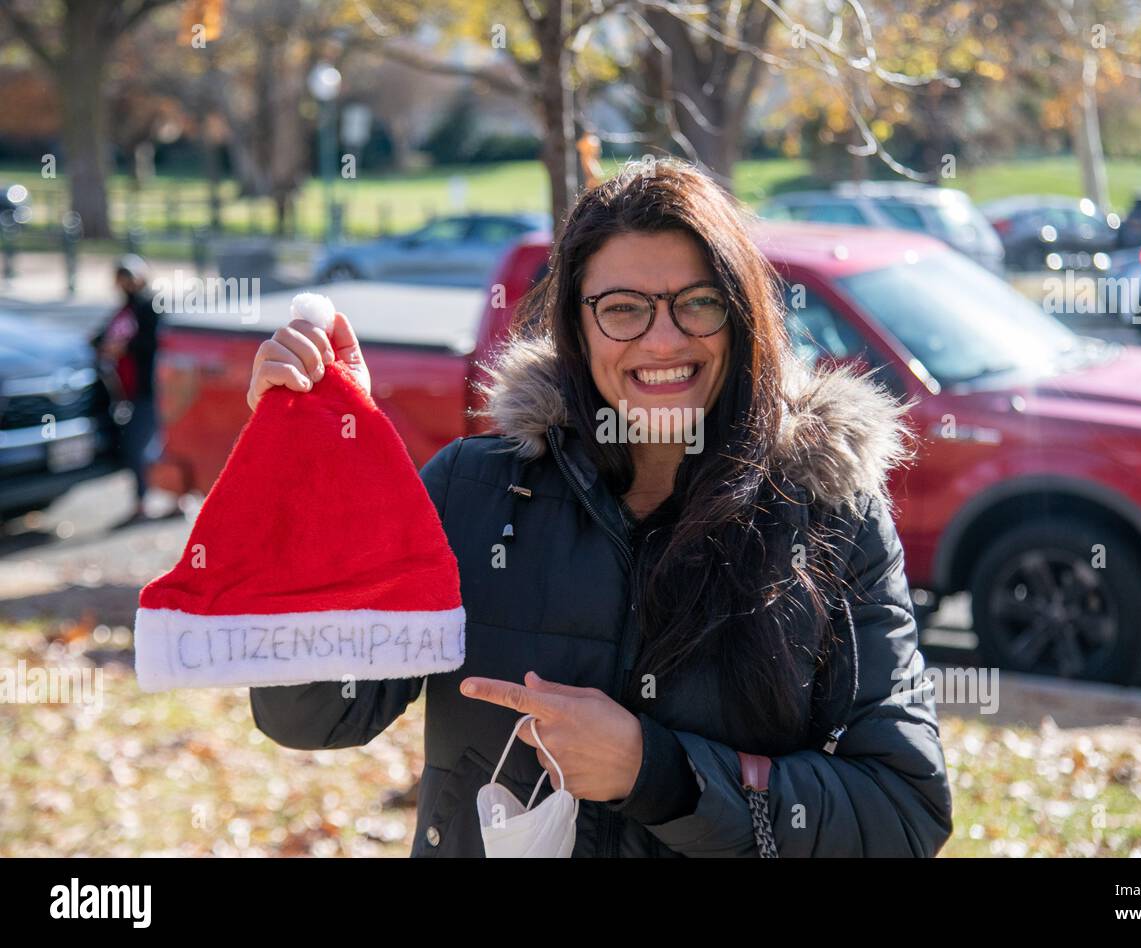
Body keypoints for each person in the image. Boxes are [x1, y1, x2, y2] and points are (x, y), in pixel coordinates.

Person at [245, 159, 953, 857]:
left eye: (698, 302)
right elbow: (313, 714)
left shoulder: (828, 513)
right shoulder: (473, 490)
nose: (665, 338)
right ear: (576, 331)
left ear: (741, 317)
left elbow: (905, 810)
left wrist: (660, 774)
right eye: (622, 309)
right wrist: (327, 475)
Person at [90, 255, 162, 528]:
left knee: (137, 445)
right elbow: (101, 337)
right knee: (144, 446)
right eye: (122, 277)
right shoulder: (124, 310)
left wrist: (123, 348)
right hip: (126, 392)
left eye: (131, 276)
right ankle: (159, 498)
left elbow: (151, 344)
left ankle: (146, 502)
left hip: (147, 390)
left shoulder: (150, 306)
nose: (127, 283)